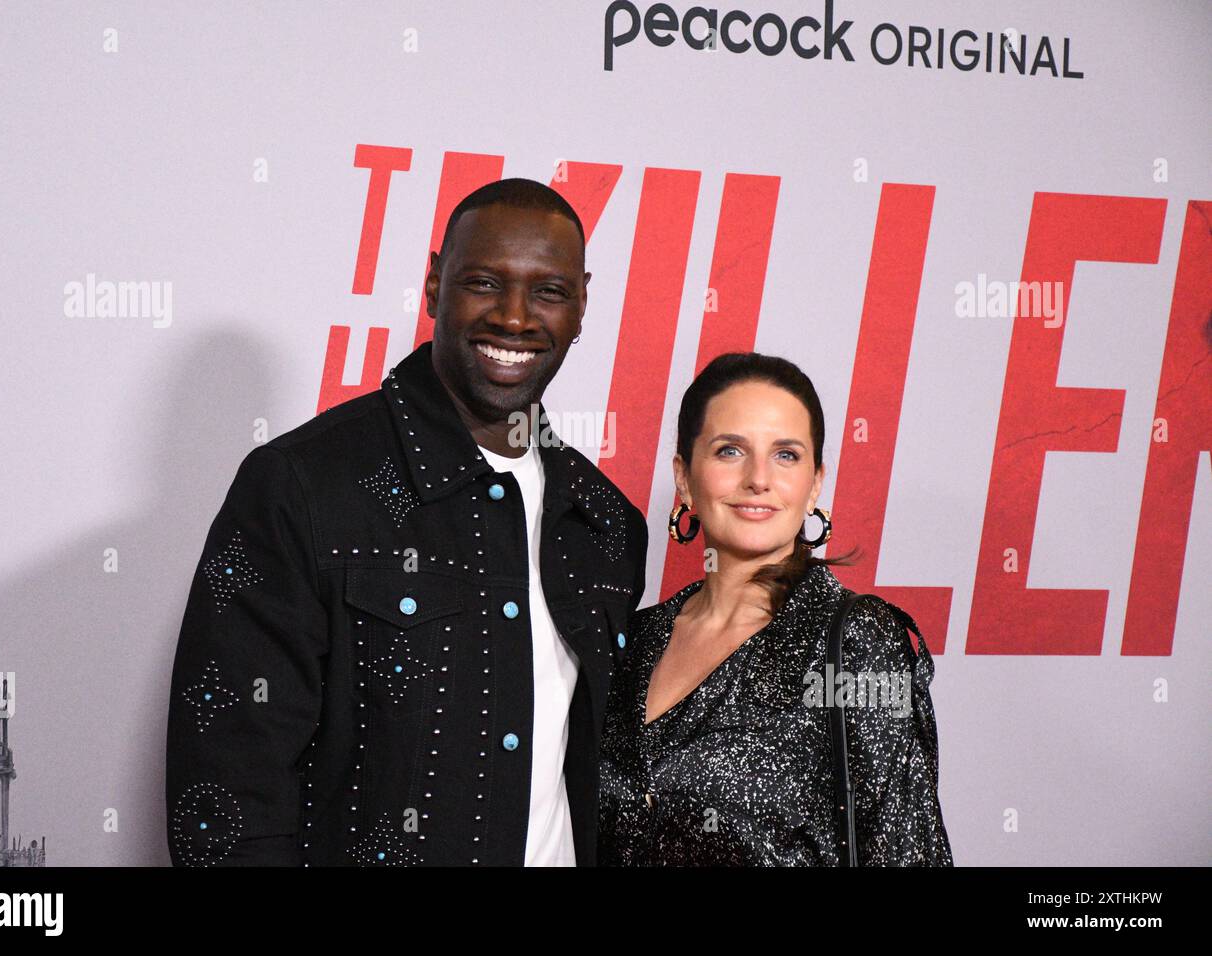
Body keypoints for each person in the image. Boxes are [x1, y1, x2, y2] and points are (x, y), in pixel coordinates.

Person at [166, 178, 648, 866]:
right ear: (433, 285)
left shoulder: (603, 523)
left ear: (580, 307)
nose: (515, 318)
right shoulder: (302, 486)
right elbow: (224, 792)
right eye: (485, 283)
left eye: (548, 291)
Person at [598, 352, 952, 865]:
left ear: (814, 484)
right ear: (684, 476)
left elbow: (907, 850)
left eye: (786, 455)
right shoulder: (637, 638)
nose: (758, 478)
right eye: (729, 451)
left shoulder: (854, 641)